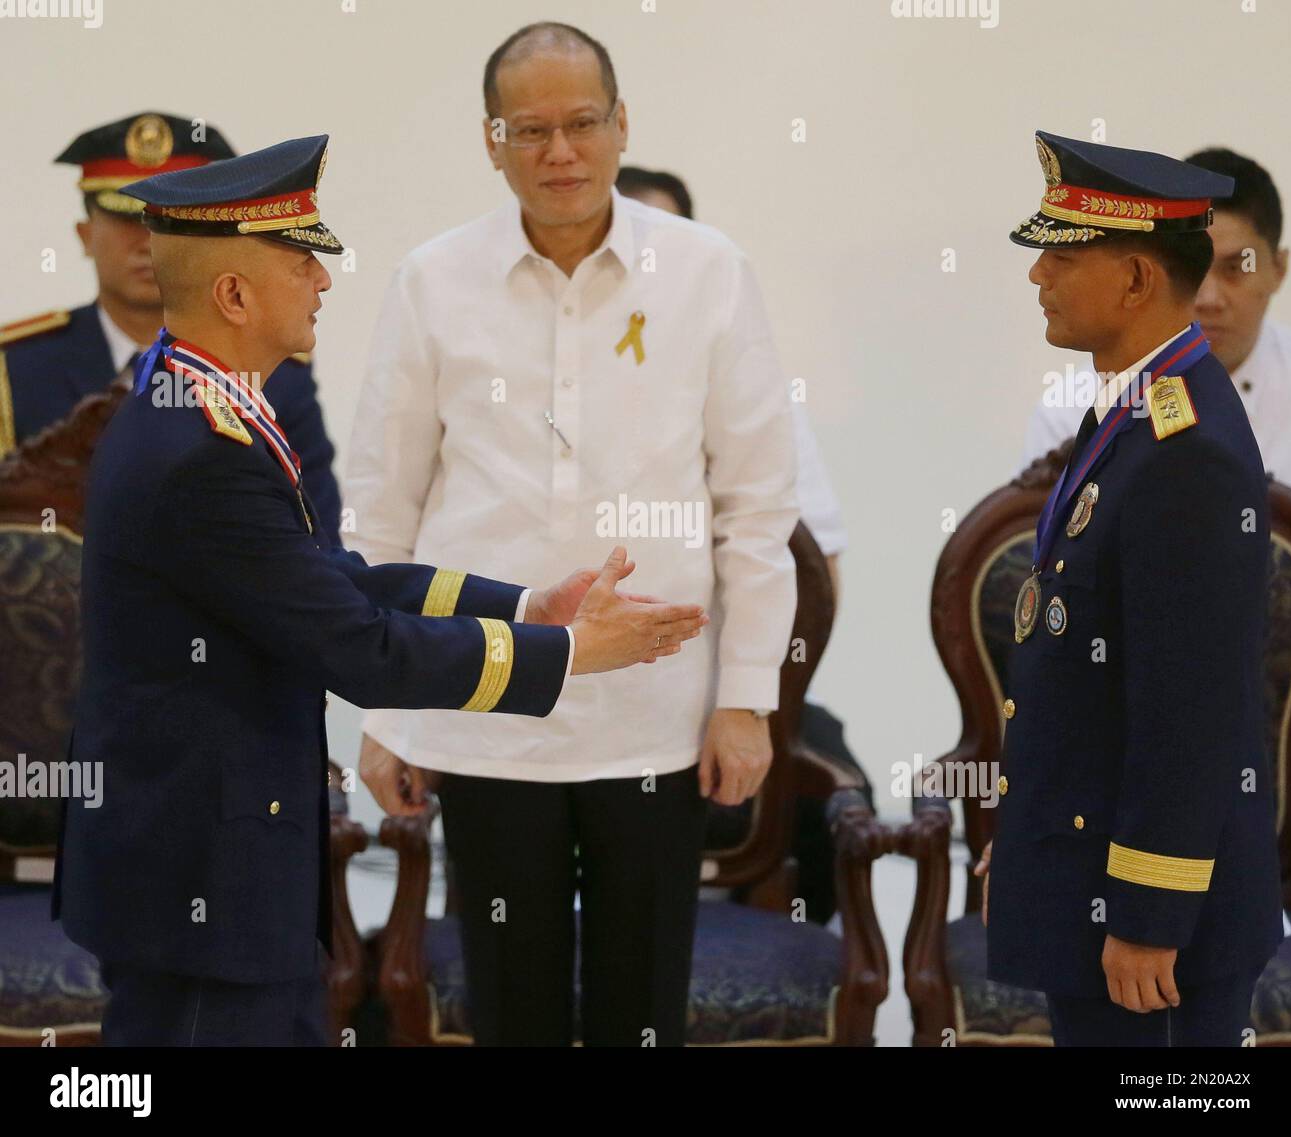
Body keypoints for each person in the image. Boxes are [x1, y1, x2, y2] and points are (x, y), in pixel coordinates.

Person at [51, 134, 708, 1047]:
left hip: (219, 868)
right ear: (235, 293)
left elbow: (328, 581)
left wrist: (524, 607)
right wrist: (567, 657)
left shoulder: (200, 405)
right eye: (301, 262)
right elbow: (356, 645)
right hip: (201, 884)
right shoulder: (201, 448)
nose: (324, 283)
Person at [345, 23, 798, 1045]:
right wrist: (387, 707)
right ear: (491, 142)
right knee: (511, 1005)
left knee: (642, 1006)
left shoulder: (706, 272)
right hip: (486, 702)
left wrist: (745, 700)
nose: (560, 153)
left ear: (621, 124)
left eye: (582, 124)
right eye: (531, 130)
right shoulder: (433, 279)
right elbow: (383, 504)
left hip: (657, 710)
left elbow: (758, 506)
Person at [981, 130, 1285, 1046]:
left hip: (1160, 928)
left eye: (1060, 254)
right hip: (1095, 877)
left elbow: (1187, 705)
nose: (1037, 276)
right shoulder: (1140, 410)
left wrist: (1148, 912)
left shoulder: (1185, 448)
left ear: (1138, 280)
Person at [617, 164, 871, 923]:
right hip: (585, 697)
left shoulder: (751, 384)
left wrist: (750, 691)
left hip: (737, 688)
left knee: (838, 802)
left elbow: (816, 571)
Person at [0, 112, 344, 544]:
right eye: (128, 220)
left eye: (174, 226)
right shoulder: (18, 367)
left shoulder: (281, 371)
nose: (148, 242)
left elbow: (319, 537)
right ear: (85, 234)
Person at [1020, 146, 1291, 492]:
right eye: (1197, 270)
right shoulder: (1069, 410)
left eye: (1235, 269)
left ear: (1280, 268)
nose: (1209, 298)